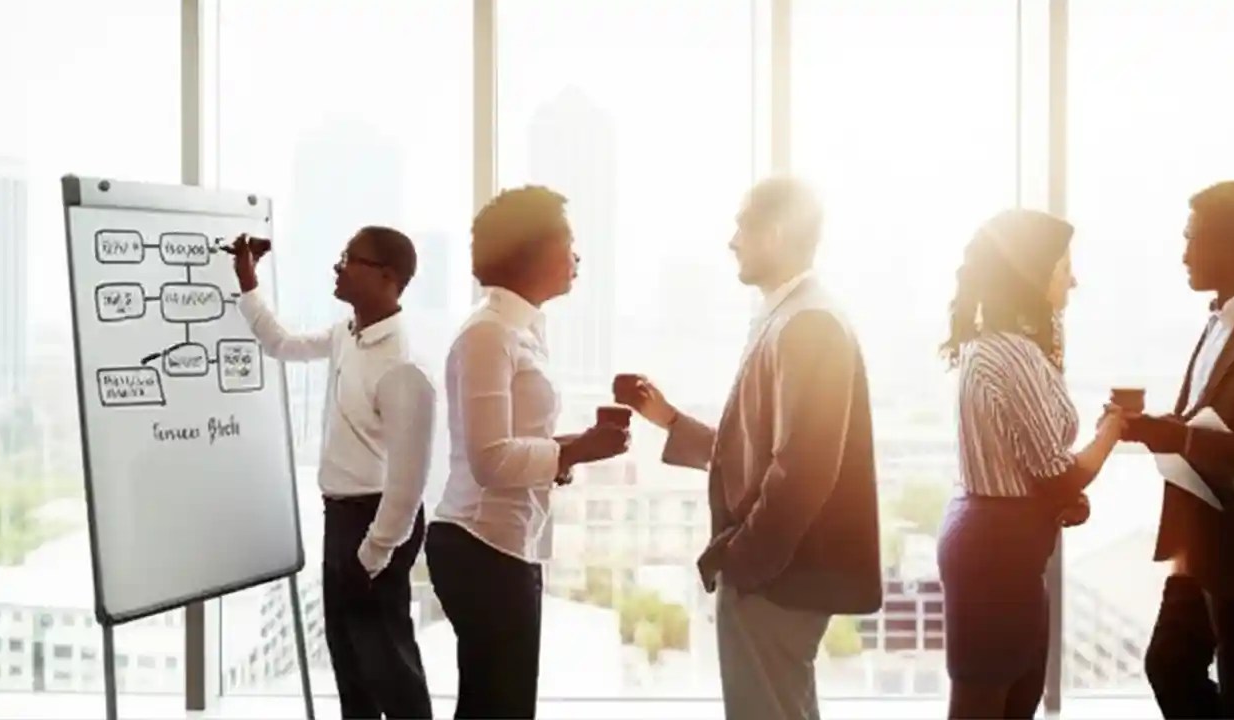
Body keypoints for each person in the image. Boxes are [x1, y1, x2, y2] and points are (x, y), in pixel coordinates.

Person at [618, 177, 882, 720]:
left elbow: (804, 468)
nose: (732, 240)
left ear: (776, 233)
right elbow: (767, 453)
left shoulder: (809, 323)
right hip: (776, 572)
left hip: (778, 576)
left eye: (742, 225)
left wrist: (746, 562)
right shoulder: (791, 316)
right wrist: (669, 420)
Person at [426, 186, 630, 719]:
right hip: (479, 544)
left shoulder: (519, 330)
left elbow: (515, 442)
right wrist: (574, 451)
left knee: (502, 706)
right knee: (499, 709)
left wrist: (578, 450)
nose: (577, 257)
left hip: (506, 543)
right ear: (532, 250)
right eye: (568, 242)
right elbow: (490, 460)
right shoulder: (488, 335)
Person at [230, 228, 435, 719]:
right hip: (342, 519)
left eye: (350, 259)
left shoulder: (403, 366)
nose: (337, 266)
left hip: (378, 522)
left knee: (388, 663)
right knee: (350, 660)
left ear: (387, 277)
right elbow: (282, 344)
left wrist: (371, 555)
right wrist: (247, 283)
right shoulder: (349, 333)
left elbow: (408, 487)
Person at [936, 209, 1125, 719]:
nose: (1074, 279)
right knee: (987, 701)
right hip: (995, 551)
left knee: (1011, 694)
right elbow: (1057, 472)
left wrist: (1059, 500)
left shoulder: (1003, 347)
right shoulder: (1011, 354)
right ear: (1032, 273)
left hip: (1002, 544)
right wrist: (1113, 430)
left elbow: (1034, 467)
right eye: (1065, 268)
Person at [1130, 181, 1234, 719]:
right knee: (1169, 665)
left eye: (1195, 240)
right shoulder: (1219, 320)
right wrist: (1170, 429)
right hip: (1203, 546)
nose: (1184, 254)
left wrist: (1182, 438)